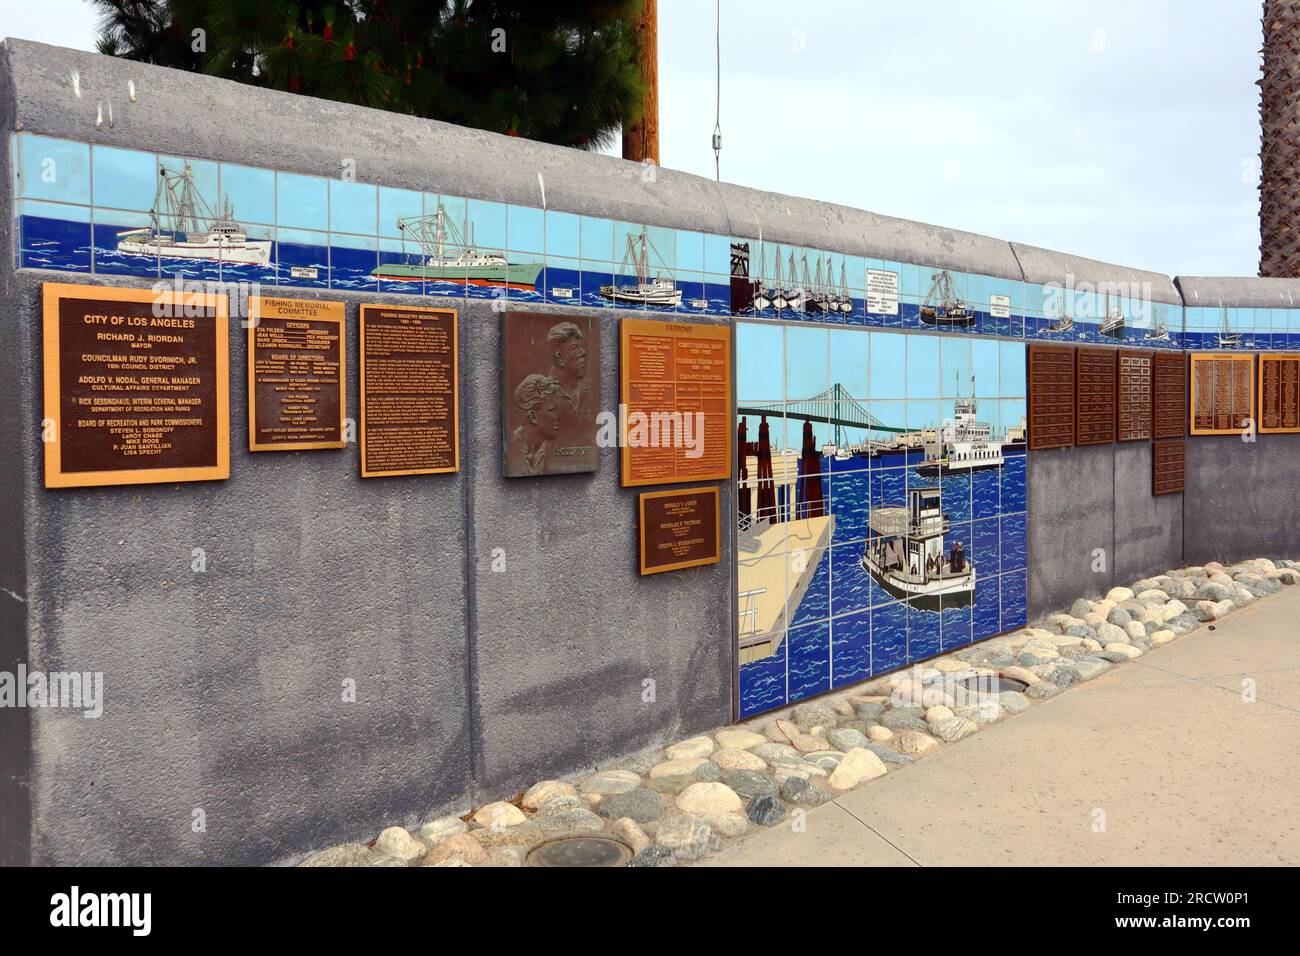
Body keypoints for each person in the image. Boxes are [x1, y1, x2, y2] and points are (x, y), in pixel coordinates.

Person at [510, 374, 564, 475]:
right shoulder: (511, 448)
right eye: (551, 410)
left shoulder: (553, 452)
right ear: (533, 417)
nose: (558, 416)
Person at [545, 321, 588, 415]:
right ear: (559, 357)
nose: (583, 352)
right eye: (575, 347)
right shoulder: (542, 396)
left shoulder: (588, 393)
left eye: (581, 347)